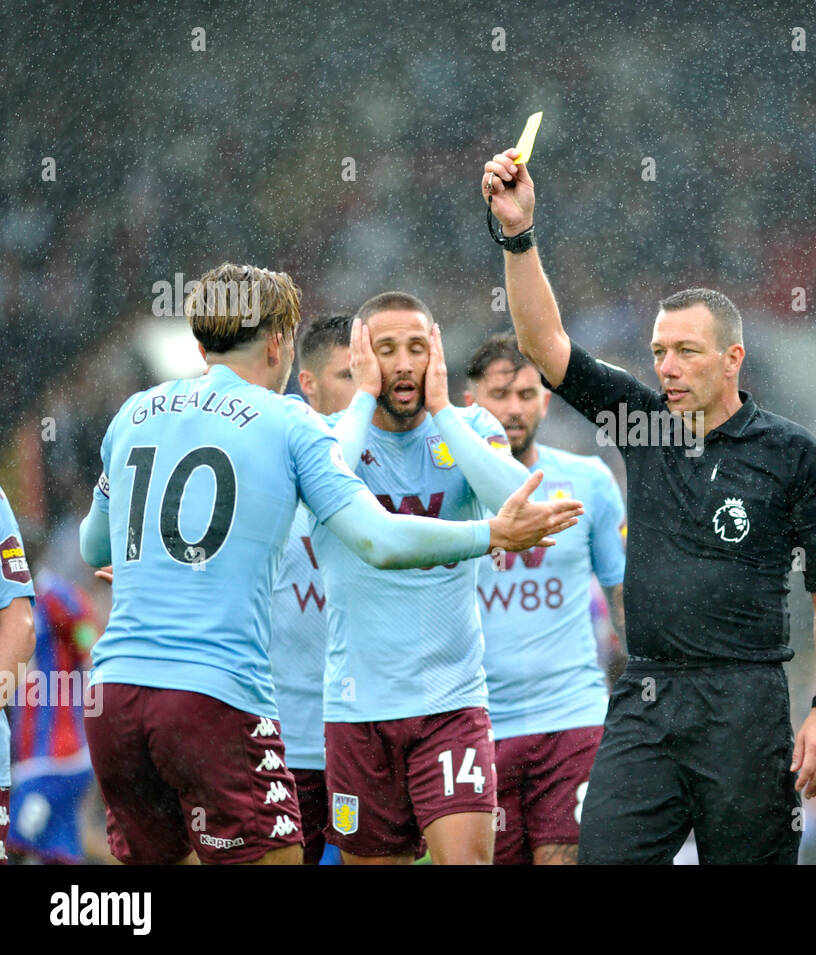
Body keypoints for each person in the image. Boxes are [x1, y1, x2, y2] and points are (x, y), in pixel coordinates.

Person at [78, 263, 582, 865]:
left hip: (112, 695)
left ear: (199, 340)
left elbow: (94, 548)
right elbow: (377, 540)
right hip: (217, 696)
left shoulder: (134, 411)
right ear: (280, 343)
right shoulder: (289, 422)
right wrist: (490, 534)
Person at [482, 147, 816, 865]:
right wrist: (518, 235)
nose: (668, 368)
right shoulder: (641, 421)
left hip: (745, 702)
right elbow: (543, 343)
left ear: (733, 359)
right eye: (659, 352)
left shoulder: (791, 453)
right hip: (646, 697)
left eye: (687, 351)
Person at [316, 293, 546, 865]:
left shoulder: (471, 425)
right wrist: (364, 398)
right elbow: (326, 487)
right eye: (385, 349)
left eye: (416, 348)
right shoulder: (327, 433)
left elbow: (511, 500)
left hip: (452, 703)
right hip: (358, 710)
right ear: (361, 356)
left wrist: (444, 411)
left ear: (435, 353)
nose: (402, 364)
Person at [464, 332, 627, 865]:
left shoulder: (589, 481)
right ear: (471, 401)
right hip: (477, 721)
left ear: (546, 401)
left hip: (573, 715)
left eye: (527, 394)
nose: (514, 408)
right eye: (500, 393)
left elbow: (623, 595)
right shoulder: (446, 492)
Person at [267, 315, 356, 865]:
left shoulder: (386, 473)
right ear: (308, 383)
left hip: (365, 738)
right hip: (278, 745)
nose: (362, 394)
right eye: (348, 376)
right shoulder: (267, 470)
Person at [7, 572, 103, 865]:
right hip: (31, 760)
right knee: (58, 852)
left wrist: (88, 653)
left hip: (59, 757)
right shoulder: (10, 604)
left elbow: (90, 641)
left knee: (16, 843)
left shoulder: (55, 595)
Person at [0, 483, 37, 865]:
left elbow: (86, 641)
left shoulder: (60, 599)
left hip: (55, 756)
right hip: (32, 753)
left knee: (35, 843)